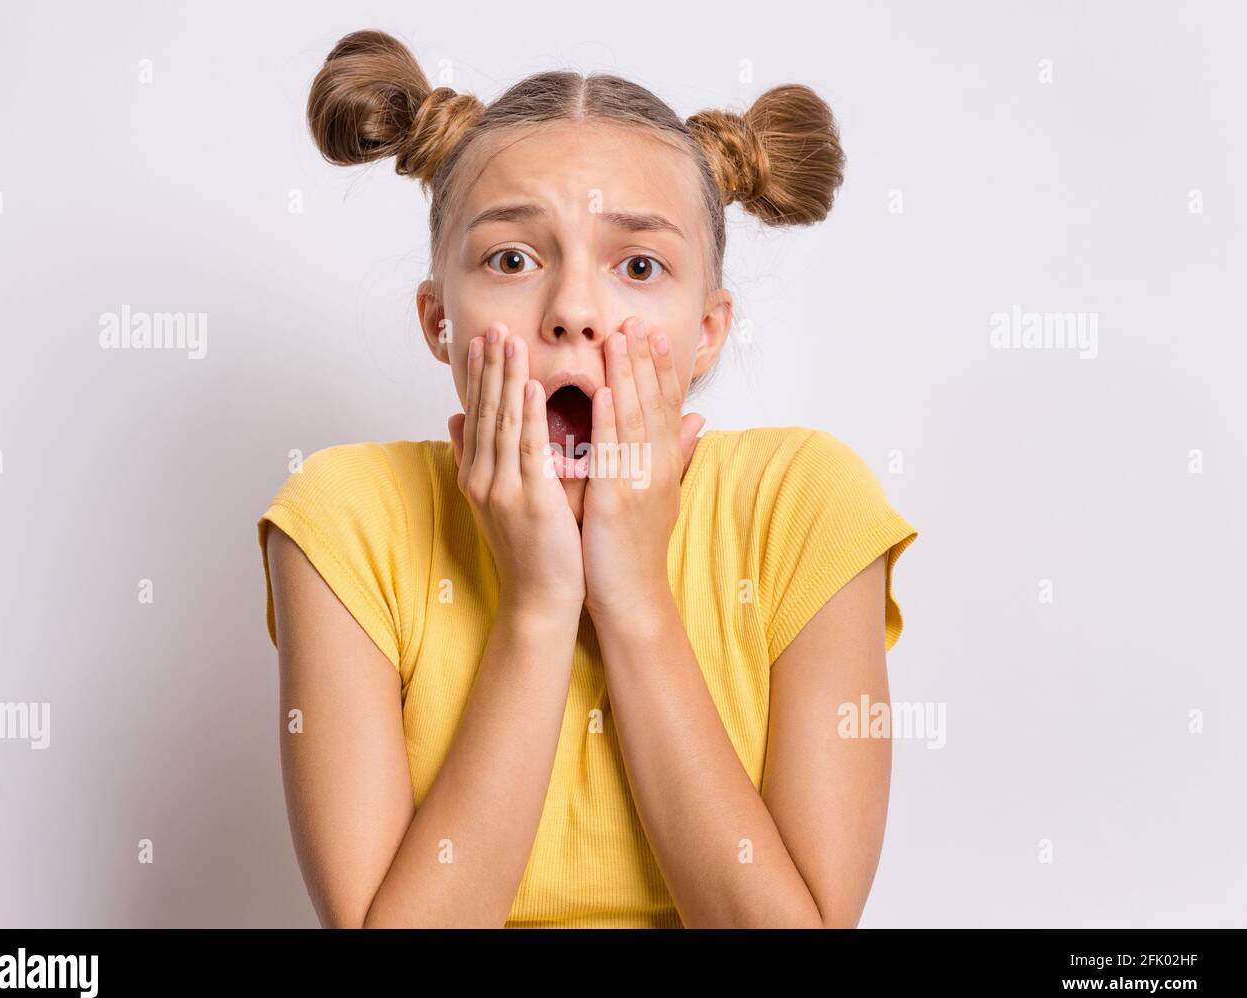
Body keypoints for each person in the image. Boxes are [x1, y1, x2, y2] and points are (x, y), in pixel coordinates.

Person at [256, 28, 918, 928]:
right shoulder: (345, 520)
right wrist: (536, 604)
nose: (572, 311)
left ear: (709, 330)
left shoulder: (806, 506)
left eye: (639, 266)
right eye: (512, 259)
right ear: (438, 319)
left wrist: (635, 599)